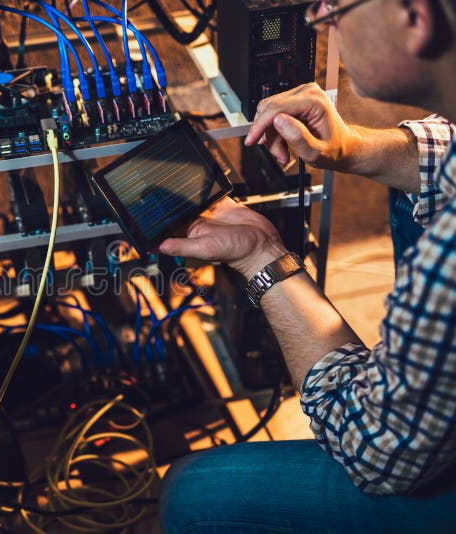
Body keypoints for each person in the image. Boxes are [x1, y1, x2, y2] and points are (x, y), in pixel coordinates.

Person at [158, 0, 456, 531]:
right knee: (413, 192)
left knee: (192, 495)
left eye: (335, 4)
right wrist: (352, 148)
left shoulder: (446, 259)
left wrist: (260, 256)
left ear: (416, 17)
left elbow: (372, 449)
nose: (319, 18)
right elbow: (447, 154)